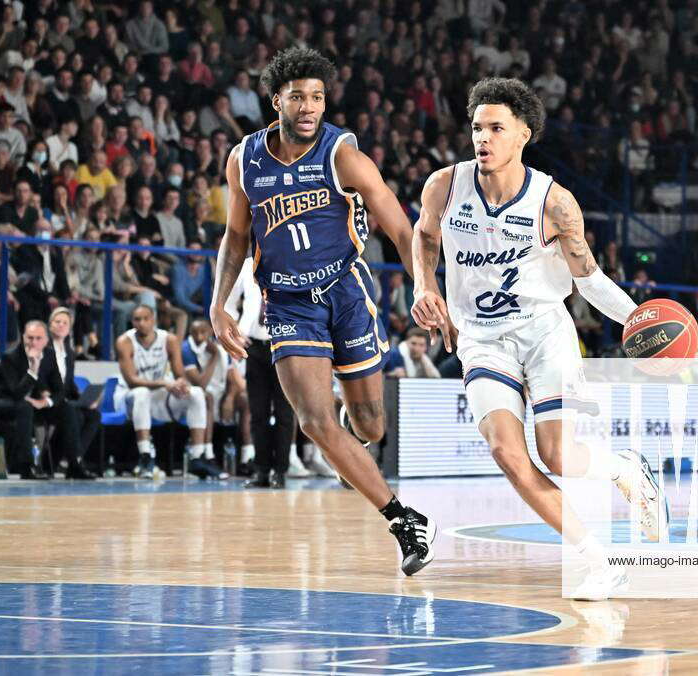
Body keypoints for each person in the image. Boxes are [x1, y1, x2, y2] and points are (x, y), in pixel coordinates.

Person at [410, 77, 666, 601]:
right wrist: (423, 284)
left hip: (544, 332)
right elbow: (424, 235)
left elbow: (588, 278)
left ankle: (625, 469)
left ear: (524, 134)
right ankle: (597, 560)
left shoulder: (555, 203)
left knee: (557, 454)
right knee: (507, 451)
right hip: (481, 339)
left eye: (496, 128)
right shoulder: (444, 185)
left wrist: (637, 318)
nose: (483, 137)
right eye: (477, 127)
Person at [209, 48, 436, 576]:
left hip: (346, 292)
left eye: (317, 97)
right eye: (298, 97)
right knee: (312, 422)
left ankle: (348, 436)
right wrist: (218, 304)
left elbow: (402, 230)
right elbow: (237, 235)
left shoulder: (343, 157)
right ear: (276, 102)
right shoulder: (245, 159)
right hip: (286, 302)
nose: (309, 107)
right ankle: (403, 519)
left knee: (371, 426)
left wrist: (426, 287)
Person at [225, 256, 305, 487]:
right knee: (257, 412)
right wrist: (237, 329)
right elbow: (228, 299)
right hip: (255, 345)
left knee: (284, 412)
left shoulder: (293, 260)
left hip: (285, 344)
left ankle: (279, 471)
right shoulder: (248, 264)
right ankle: (261, 470)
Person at [113, 304, 208, 479]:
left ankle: (198, 457)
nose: (141, 323)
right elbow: (131, 381)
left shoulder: (169, 340)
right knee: (141, 392)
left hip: (157, 395)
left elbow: (180, 374)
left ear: (154, 320)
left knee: (196, 393)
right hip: (128, 397)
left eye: (145, 319)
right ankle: (145, 456)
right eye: (137, 319)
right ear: (132, 322)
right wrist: (166, 383)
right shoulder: (124, 342)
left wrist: (181, 383)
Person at [0, 320, 84, 479]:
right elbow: (15, 393)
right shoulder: (11, 356)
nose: (33, 342)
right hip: (1, 401)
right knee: (24, 407)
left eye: (38, 338)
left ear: (46, 340)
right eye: (29, 338)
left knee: (67, 409)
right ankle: (26, 467)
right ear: (23, 337)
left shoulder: (49, 354)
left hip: (30, 403)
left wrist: (46, 402)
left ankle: (74, 465)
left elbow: (59, 389)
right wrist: (33, 369)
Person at [46, 307, 100, 478]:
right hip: (47, 400)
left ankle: (71, 462)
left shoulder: (69, 352)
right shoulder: (43, 348)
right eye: (57, 322)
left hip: (64, 401)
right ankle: (75, 464)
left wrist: (84, 399)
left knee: (93, 414)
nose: (61, 325)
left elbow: (68, 385)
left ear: (69, 328)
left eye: (65, 323)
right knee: (72, 413)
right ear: (50, 325)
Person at [181, 318, 237, 480]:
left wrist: (230, 398)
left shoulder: (222, 348)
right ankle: (207, 453)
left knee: (243, 399)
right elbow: (201, 383)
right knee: (208, 397)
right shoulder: (186, 349)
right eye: (195, 333)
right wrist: (213, 358)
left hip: (219, 393)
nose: (199, 336)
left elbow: (231, 379)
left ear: (211, 332)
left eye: (203, 332)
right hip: (192, 398)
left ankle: (249, 457)